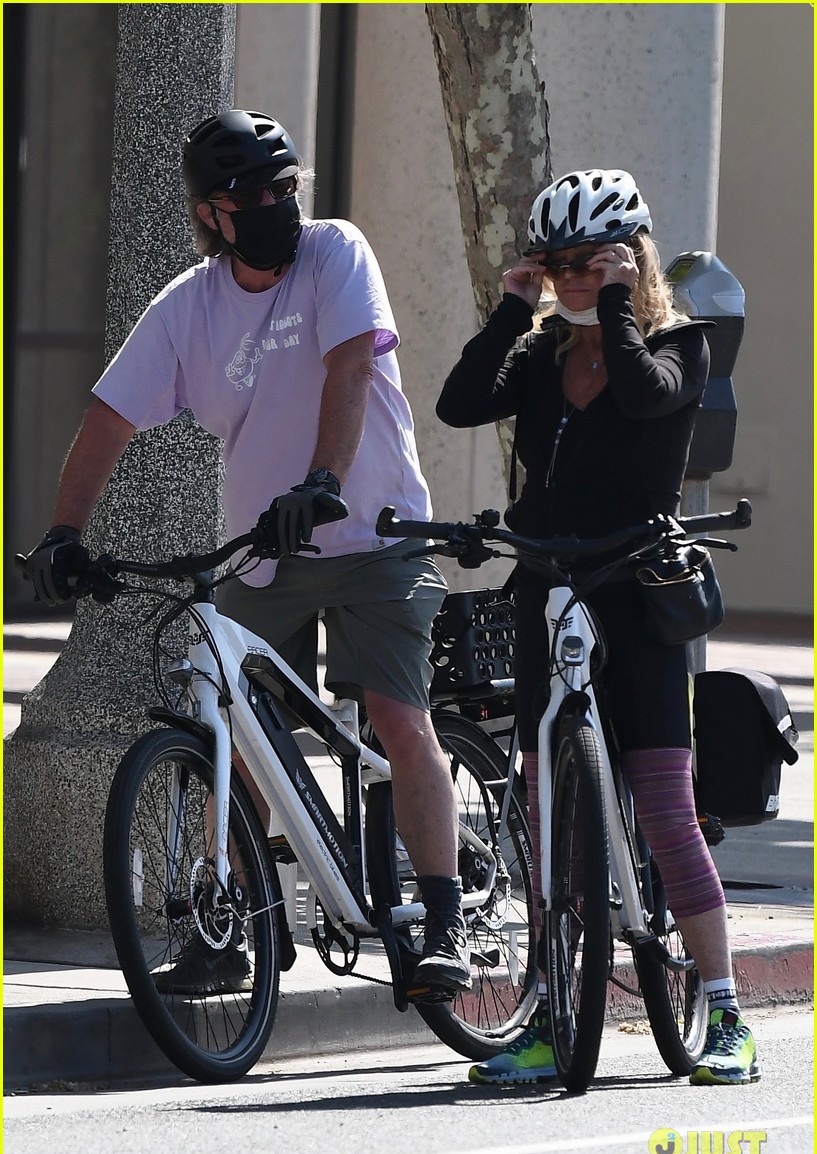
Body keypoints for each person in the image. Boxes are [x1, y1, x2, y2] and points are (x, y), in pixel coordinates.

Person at [22, 108, 470, 997]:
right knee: (235, 736)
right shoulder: (188, 308)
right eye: (247, 196)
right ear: (210, 216)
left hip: (371, 533)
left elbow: (349, 368)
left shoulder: (336, 253)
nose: (271, 206)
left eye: (281, 189)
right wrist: (64, 532)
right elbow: (109, 419)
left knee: (393, 718)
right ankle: (238, 928)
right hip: (264, 554)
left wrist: (323, 480)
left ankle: (444, 919)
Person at [436, 168, 760, 1087]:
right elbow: (460, 403)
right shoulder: (539, 352)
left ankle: (725, 1012)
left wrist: (618, 304)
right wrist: (510, 310)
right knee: (544, 812)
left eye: (589, 262)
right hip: (546, 584)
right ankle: (548, 1011)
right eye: (556, 262)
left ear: (630, 258)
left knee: (662, 804)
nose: (570, 278)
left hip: (636, 587)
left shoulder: (677, 343)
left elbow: (646, 394)